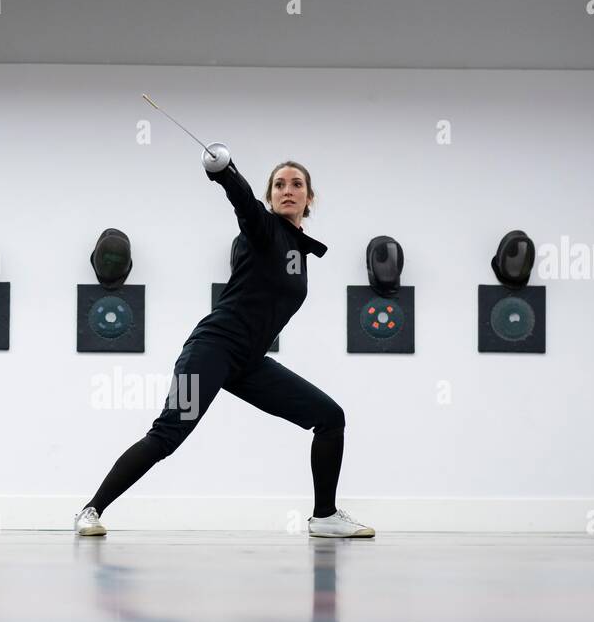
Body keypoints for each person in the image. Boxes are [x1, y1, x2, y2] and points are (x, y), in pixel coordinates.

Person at [75, 144, 373, 539]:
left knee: (330, 417)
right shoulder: (264, 228)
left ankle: (324, 517)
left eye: (296, 184)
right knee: (167, 436)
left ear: (309, 198)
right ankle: (90, 510)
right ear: (270, 197)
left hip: (249, 362)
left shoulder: (298, 251)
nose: (288, 189)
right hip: (210, 349)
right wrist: (225, 172)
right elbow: (244, 206)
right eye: (279, 184)